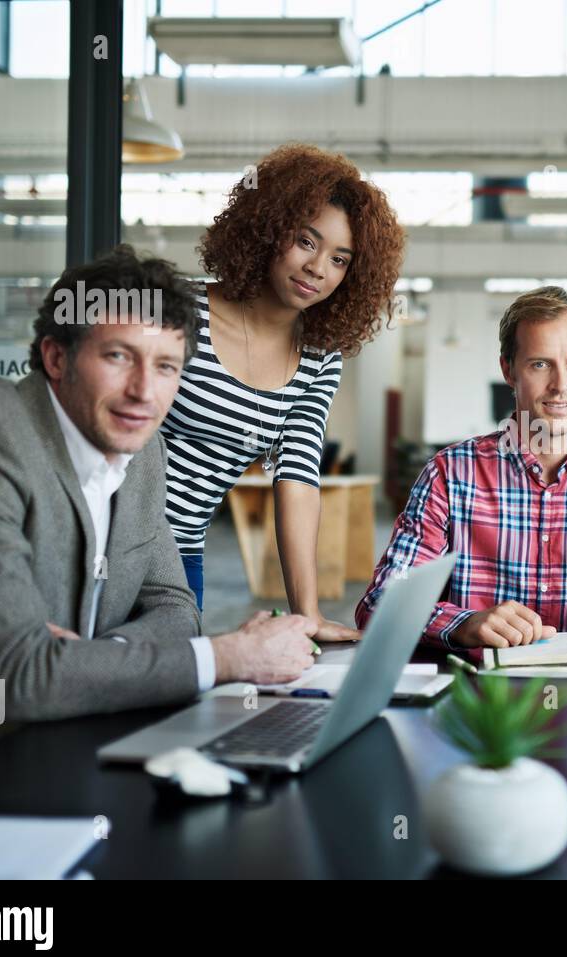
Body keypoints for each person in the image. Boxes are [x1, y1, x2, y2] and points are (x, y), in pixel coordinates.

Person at [0, 246, 319, 784]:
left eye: (166, 366)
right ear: (57, 358)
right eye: (119, 357)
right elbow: (19, 678)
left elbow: (175, 608)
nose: (144, 392)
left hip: (67, 743)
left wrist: (96, 660)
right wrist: (228, 657)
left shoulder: (143, 452)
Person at [355, 286, 567, 649]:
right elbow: (381, 604)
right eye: (540, 364)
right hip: (484, 699)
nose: (560, 385)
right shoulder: (449, 475)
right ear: (508, 369)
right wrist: (462, 624)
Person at [161, 144, 405, 640]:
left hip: (178, 559)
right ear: (268, 229)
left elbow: (296, 472)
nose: (318, 268)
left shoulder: (318, 356)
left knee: (165, 698)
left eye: (340, 259)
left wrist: (307, 614)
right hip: (96, 541)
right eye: (306, 241)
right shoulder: (179, 308)